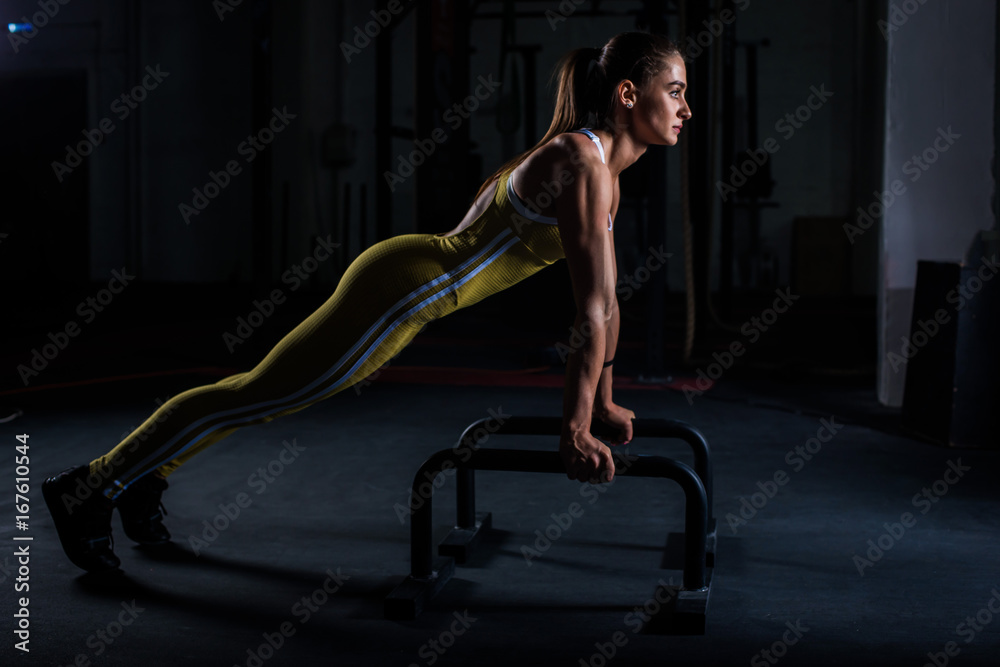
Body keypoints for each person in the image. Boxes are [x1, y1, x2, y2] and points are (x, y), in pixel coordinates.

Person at [43, 31, 692, 573]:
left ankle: (142, 478)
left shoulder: (594, 162)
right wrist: (575, 423)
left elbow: (603, 302)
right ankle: (90, 486)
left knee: (261, 391)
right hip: (402, 290)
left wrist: (600, 400)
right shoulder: (583, 163)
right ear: (628, 94)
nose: (686, 107)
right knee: (259, 394)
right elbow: (594, 310)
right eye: (677, 90)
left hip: (410, 288)